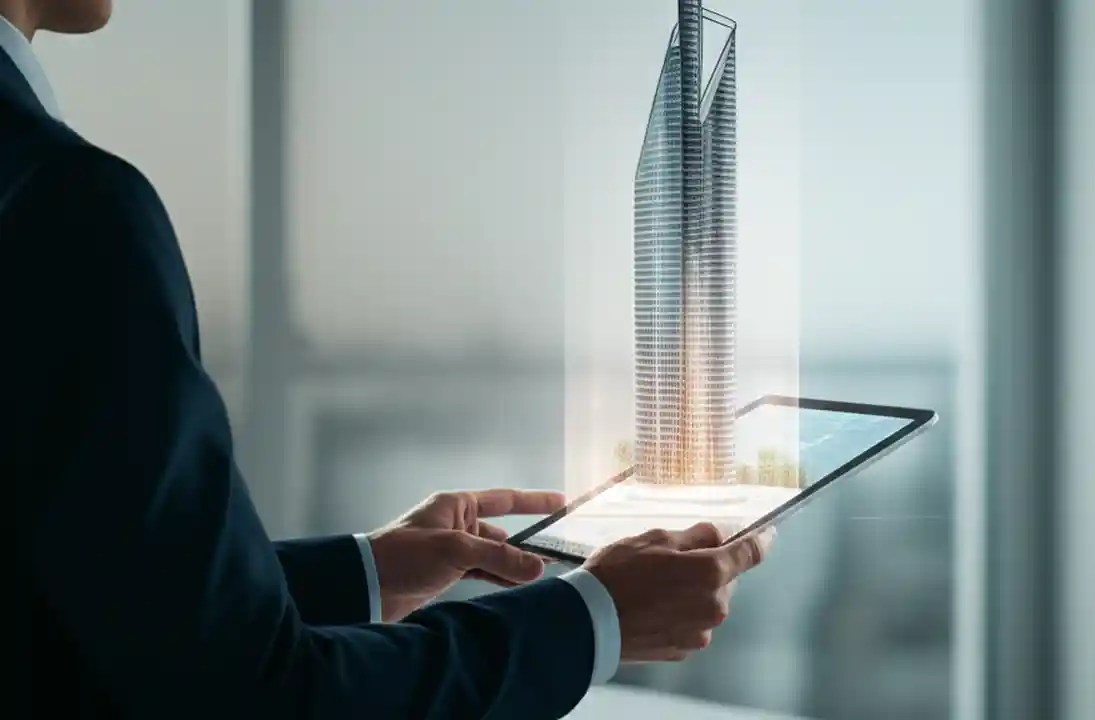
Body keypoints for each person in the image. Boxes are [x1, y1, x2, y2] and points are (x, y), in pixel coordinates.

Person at [3, 2, 773, 718]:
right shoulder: (66, 200)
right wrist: (594, 617)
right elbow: (250, 696)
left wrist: (364, 572)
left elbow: (87, 601)